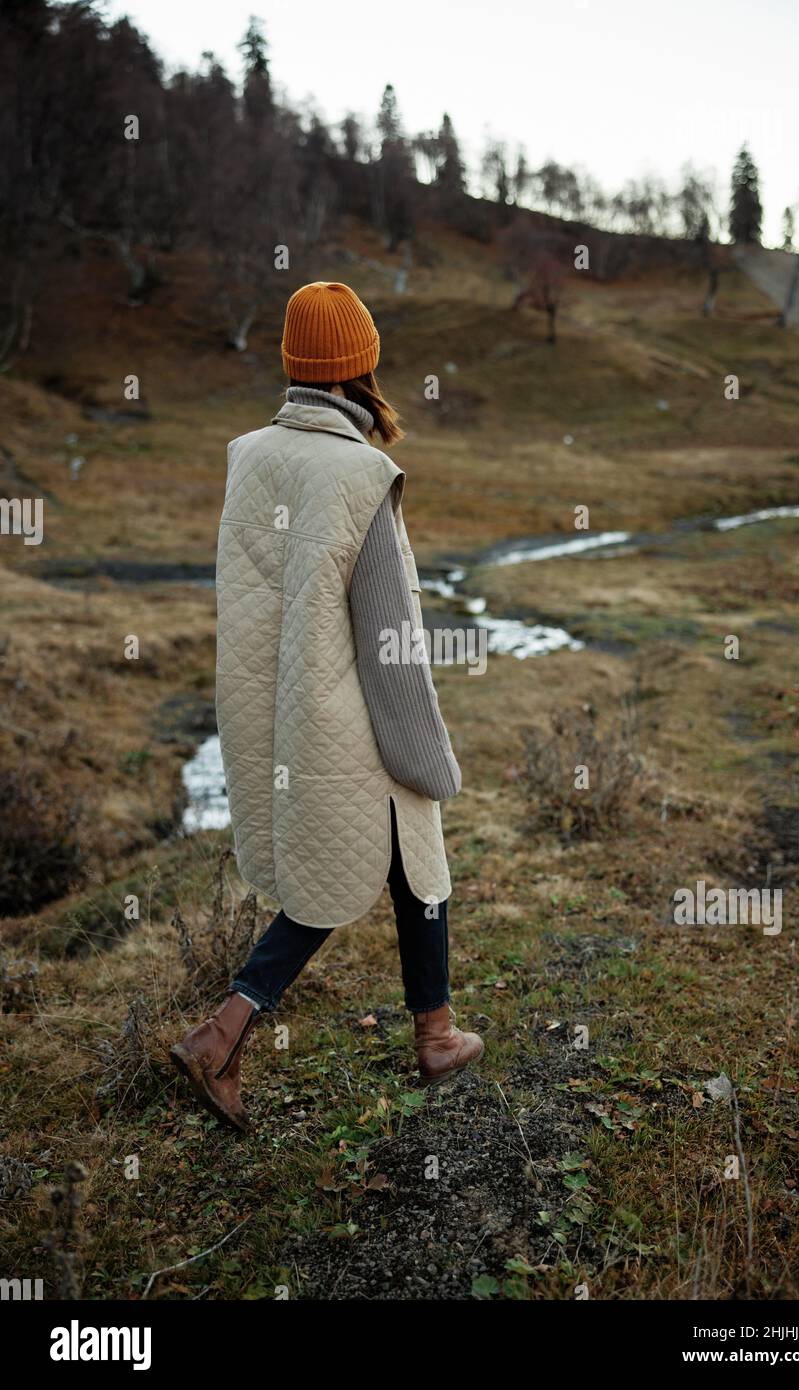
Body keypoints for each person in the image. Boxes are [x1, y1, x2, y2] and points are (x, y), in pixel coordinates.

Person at [171, 282, 483, 1133]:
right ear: (360, 368)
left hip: (272, 709)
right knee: (392, 850)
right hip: (349, 717)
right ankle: (228, 1032)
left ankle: (433, 1032)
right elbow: (391, 639)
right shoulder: (360, 470)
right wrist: (428, 752)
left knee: (368, 865)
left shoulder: (250, 454)